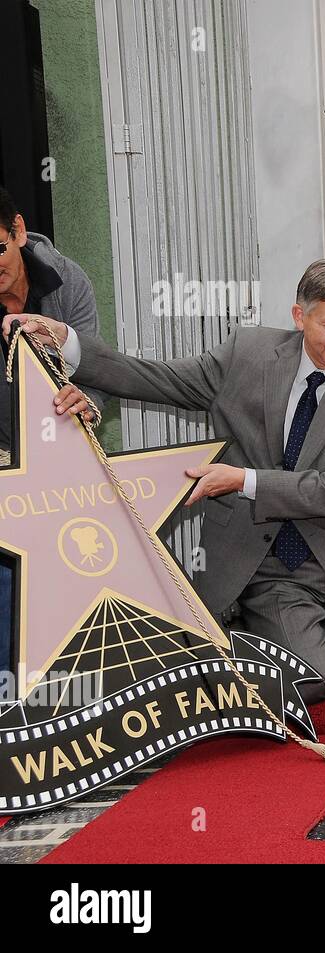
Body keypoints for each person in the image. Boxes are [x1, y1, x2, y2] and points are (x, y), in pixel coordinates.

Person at [5, 261, 325, 704]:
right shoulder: (248, 353)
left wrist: (243, 480)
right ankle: (279, 636)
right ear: (300, 317)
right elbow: (157, 378)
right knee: (307, 679)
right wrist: (69, 343)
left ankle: (308, 638)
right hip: (270, 557)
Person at [0, 187, 109, 683]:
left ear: (19, 231)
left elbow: (98, 372)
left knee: (83, 574)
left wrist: (88, 406)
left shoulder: (67, 282)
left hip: (66, 462)